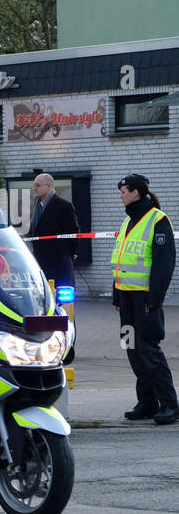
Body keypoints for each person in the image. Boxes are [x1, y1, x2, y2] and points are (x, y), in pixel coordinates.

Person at [111, 173, 177, 424]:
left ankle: (169, 403)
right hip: (126, 299)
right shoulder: (128, 221)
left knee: (148, 349)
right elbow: (120, 261)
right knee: (131, 347)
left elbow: (164, 263)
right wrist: (116, 295)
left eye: (124, 191)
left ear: (136, 192)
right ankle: (147, 402)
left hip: (145, 301)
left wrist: (155, 299)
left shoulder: (158, 220)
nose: (121, 195)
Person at [29, 173, 78, 292]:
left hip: (58, 264)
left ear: (49, 186)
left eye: (37, 185)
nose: (34, 188)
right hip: (40, 262)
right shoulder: (37, 206)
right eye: (34, 185)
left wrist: (66, 255)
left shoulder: (63, 206)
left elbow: (73, 234)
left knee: (60, 302)